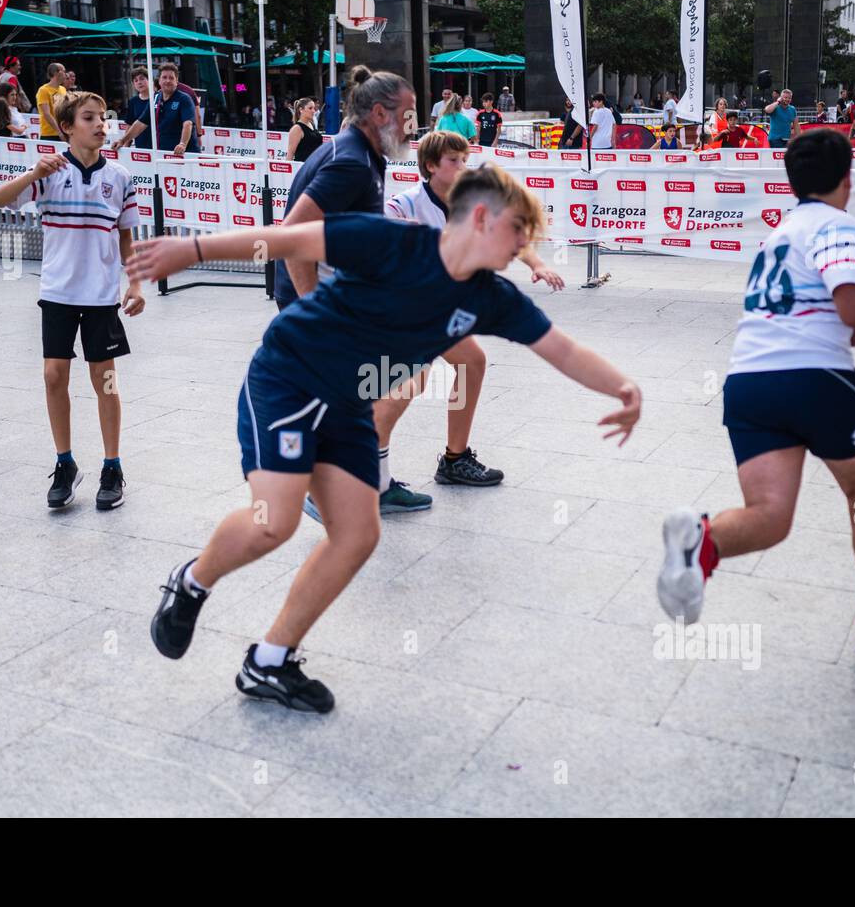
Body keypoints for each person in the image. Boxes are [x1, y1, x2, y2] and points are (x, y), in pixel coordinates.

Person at [127, 163, 642, 713]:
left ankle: (269, 661)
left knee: (357, 534)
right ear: (484, 218)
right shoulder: (392, 241)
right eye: (520, 229)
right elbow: (287, 238)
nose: (525, 244)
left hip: (348, 405)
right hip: (288, 379)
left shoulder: (491, 297)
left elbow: (560, 348)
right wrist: (193, 250)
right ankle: (192, 581)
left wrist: (623, 388)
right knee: (272, 522)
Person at [655, 128, 855, 665]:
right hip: (814, 380)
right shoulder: (838, 225)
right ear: (847, 180)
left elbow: (836, 322)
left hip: (750, 383)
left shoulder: (780, 234)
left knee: (770, 515)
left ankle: (702, 542)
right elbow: (853, 309)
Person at [270, 65, 431, 512]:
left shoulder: (361, 154)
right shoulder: (351, 162)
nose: (414, 125)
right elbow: (294, 232)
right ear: (380, 113)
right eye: (409, 114)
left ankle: (369, 482)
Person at [376, 131, 564, 508]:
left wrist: (538, 264)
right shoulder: (408, 201)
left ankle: (455, 459)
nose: (463, 167)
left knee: (471, 361)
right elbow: (379, 225)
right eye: (454, 161)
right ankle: (367, 473)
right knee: (407, 381)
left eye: (465, 160)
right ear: (430, 166)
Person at [0, 92, 145, 510]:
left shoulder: (121, 177)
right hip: (57, 294)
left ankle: (112, 466)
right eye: (89, 118)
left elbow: (127, 235)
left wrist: (135, 284)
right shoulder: (49, 171)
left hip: (100, 298)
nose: (101, 125)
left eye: (104, 117)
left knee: (105, 381)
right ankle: (65, 463)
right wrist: (31, 174)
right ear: (67, 127)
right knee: (54, 376)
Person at [111, 67, 154, 150]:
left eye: (142, 79)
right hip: (141, 146)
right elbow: (129, 125)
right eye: (136, 80)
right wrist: (125, 146)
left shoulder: (158, 98)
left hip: (160, 146)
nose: (139, 82)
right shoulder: (133, 101)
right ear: (133, 85)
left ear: (149, 80)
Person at [287, 96, 324, 161]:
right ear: (301, 110)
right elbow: (290, 154)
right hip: (304, 167)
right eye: (310, 108)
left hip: (315, 165)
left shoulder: (312, 124)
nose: (313, 111)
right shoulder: (297, 129)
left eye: (314, 108)